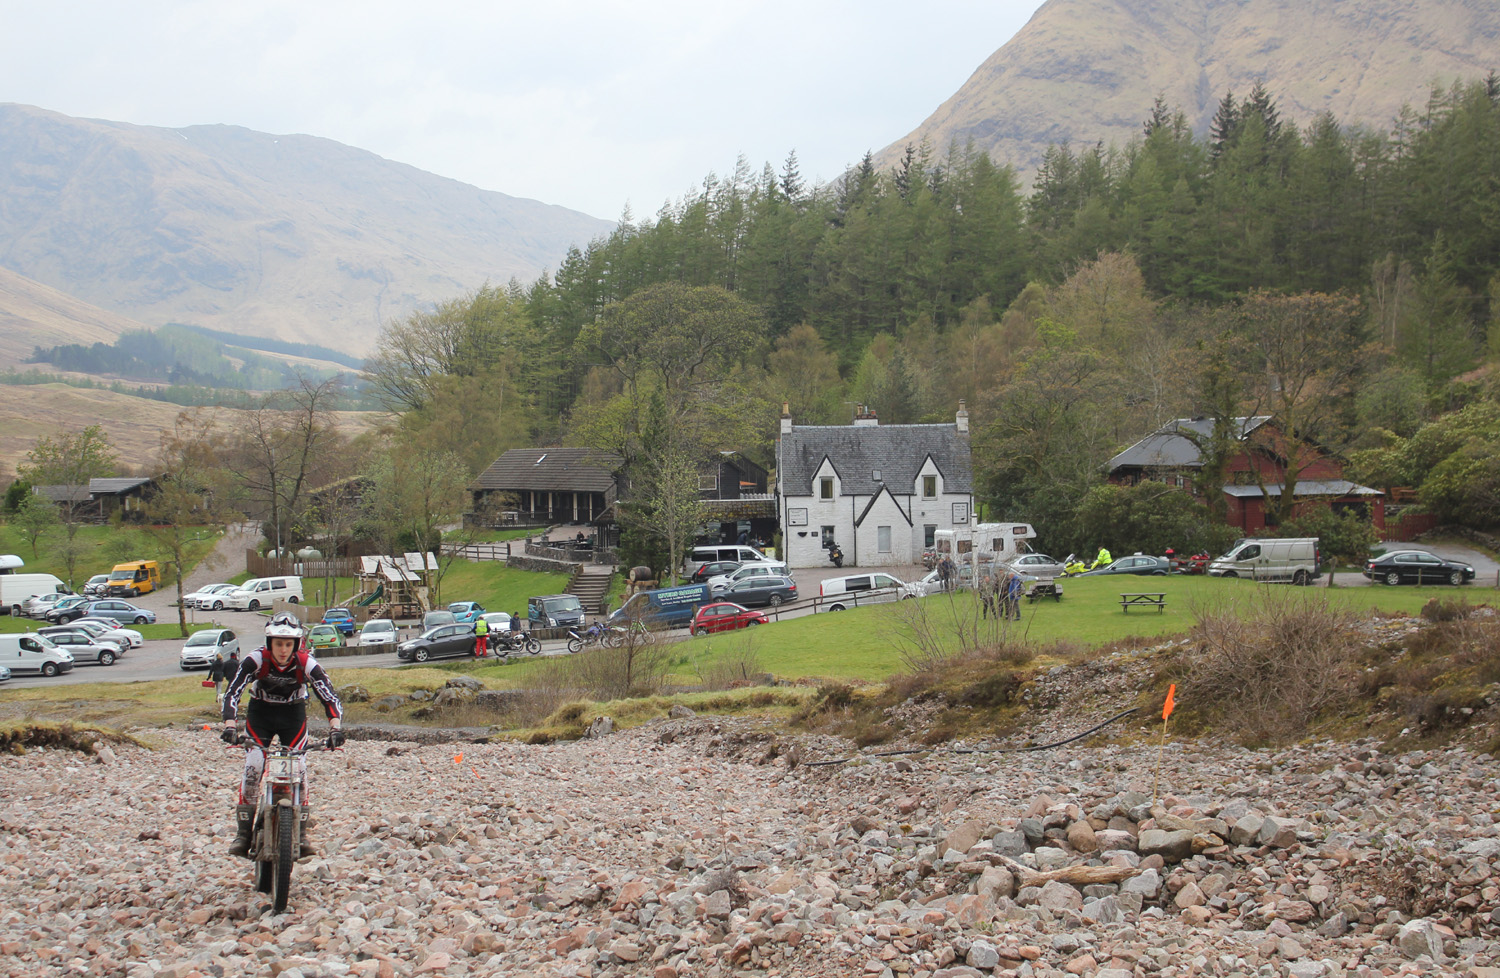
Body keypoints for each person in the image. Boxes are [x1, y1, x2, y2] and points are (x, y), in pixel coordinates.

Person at [221, 613, 344, 859]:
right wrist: (230, 725)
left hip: (293, 717)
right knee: (254, 767)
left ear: (297, 644)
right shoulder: (254, 660)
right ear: (269, 643)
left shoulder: (307, 663)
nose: (283, 650)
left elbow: (329, 696)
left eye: (289, 644)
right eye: (278, 643)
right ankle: (243, 833)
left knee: (299, 769)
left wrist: (336, 728)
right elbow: (233, 692)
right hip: (260, 715)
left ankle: (300, 834)